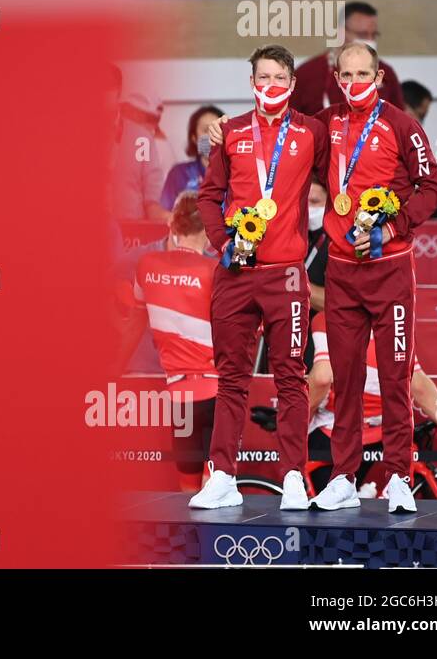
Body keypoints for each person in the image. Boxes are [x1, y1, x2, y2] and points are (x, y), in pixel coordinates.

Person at [308, 41, 437, 513]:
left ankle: (399, 479)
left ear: (380, 76)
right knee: (345, 381)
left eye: (362, 74)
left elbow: (433, 186)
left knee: (394, 378)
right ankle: (344, 477)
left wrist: (392, 226)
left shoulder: (402, 125)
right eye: (346, 76)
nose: (354, 84)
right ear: (336, 77)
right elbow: (281, 147)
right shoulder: (325, 124)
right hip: (343, 272)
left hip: (390, 272)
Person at [190, 44, 328, 511]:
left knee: (291, 376)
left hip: (286, 275)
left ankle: (292, 476)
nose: (269, 85)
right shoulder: (228, 133)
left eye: (278, 78)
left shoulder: (313, 132)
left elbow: (341, 179)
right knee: (231, 378)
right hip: (234, 271)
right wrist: (221, 241)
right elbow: (209, 196)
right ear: (251, 81)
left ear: (291, 84)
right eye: (262, 76)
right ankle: (223, 474)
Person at [307, 311, 437, 494]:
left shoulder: (328, 317)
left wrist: (299, 423)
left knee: (334, 515)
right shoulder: (395, 320)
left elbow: (321, 378)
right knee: (394, 503)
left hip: (337, 432)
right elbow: (418, 384)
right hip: (387, 431)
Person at [118, 191, 219, 491]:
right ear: (208, 230)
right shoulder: (217, 273)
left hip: (179, 397)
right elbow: (244, 334)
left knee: (187, 492)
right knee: (216, 493)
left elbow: (133, 326)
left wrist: (112, 370)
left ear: (173, 225)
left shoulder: (146, 265)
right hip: (219, 394)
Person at [291, 3, 405, 115]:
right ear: (341, 32)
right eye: (362, 35)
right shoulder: (307, 74)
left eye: (374, 35)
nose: (370, 40)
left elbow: (399, 122)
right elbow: (290, 124)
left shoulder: (385, 73)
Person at [113, 91, 171, 221]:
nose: (152, 125)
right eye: (148, 118)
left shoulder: (152, 143)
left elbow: (154, 201)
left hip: (137, 228)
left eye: (155, 119)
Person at [159, 105, 224, 211]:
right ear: (194, 138)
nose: (212, 135)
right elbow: (164, 214)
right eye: (206, 129)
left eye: (217, 129)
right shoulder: (178, 174)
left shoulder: (236, 173)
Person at [305, 180, 330, 316]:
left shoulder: (336, 243)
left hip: (321, 332)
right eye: (305, 202)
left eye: (314, 202)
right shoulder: (299, 234)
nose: (308, 208)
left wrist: (293, 283)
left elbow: (339, 301)